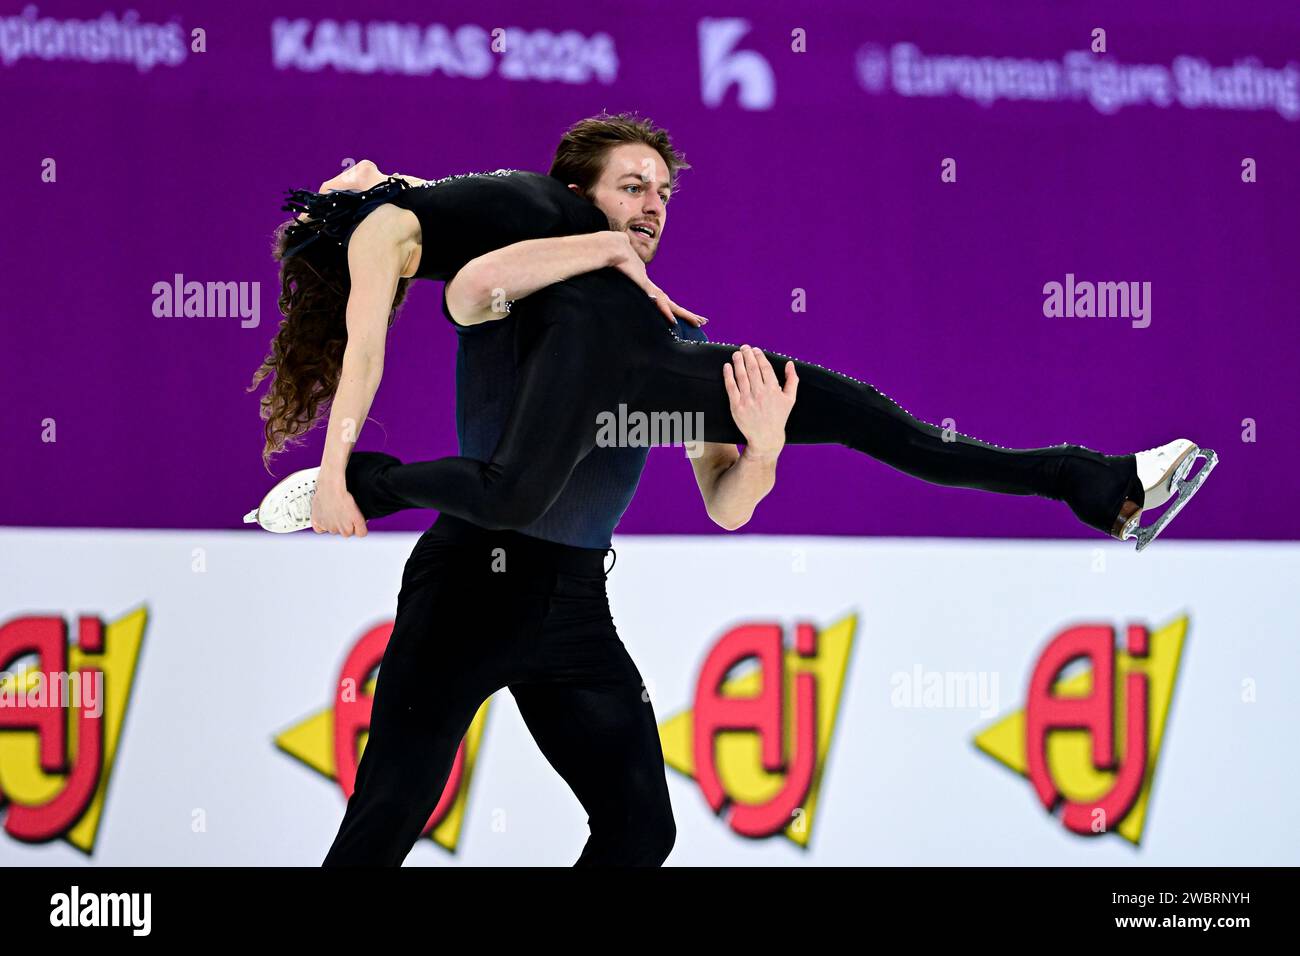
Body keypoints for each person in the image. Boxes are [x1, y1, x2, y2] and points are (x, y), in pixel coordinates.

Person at [246, 128, 1213, 551]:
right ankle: (360, 487)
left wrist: (763, 449)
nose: (347, 169)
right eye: (637, 187)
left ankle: (1109, 482)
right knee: (508, 498)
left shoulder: (423, 202)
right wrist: (335, 472)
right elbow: (363, 349)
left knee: (900, 434)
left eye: (662, 192)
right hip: (587, 373)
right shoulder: (387, 229)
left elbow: (726, 511)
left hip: (652, 371)